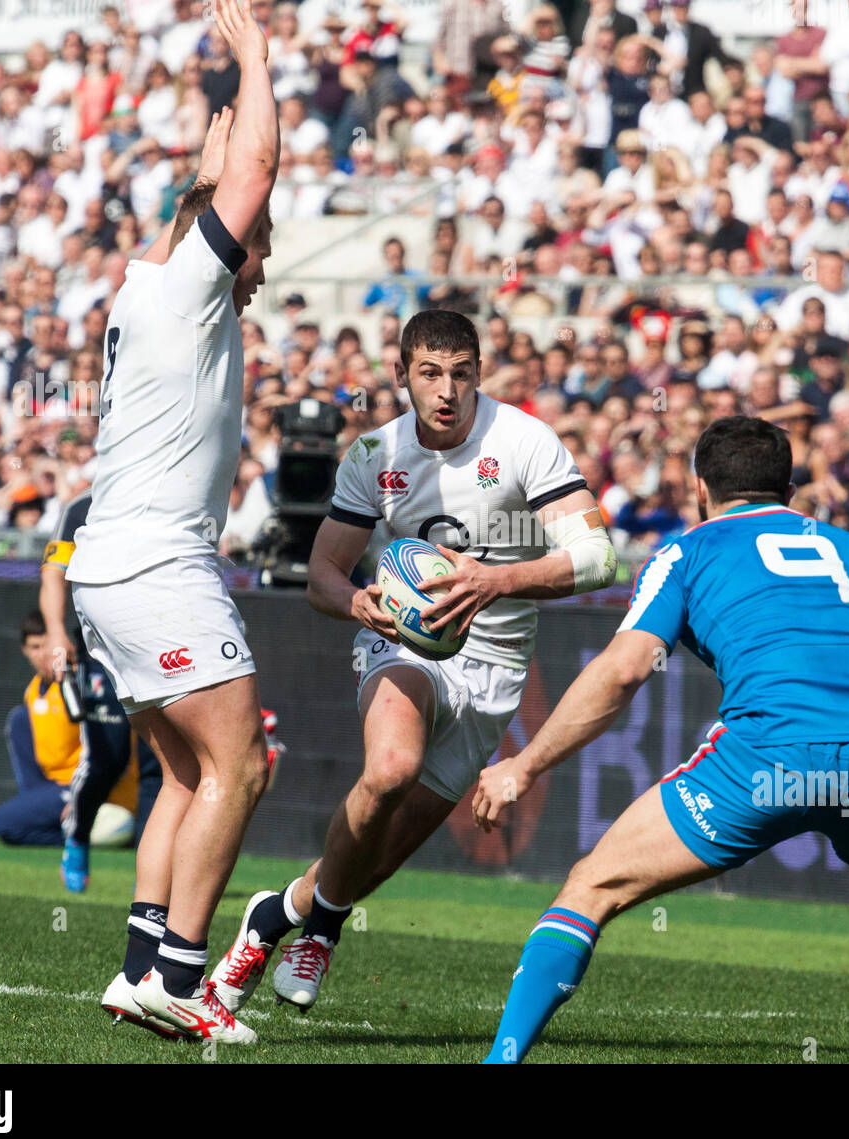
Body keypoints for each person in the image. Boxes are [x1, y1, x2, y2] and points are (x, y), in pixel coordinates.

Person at [472, 416, 849, 1065]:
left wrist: (523, 765)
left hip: (770, 758)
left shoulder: (685, 551)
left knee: (592, 886)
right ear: (787, 486)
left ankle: (500, 1060)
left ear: (703, 487)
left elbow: (622, 670)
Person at [208, 309, 617, 1015]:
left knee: (379, 853)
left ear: (480, 373)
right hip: (405, 640)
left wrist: (497, 578)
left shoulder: (523, 441)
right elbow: (324, 574)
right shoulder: (375, 454)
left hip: (494, 670)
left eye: (461, 373)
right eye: (429, 373)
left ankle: (279, 917)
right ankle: (323, 929)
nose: (446, 389)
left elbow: (600, 554)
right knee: (390, 769)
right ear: (401, 376)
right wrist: (358, 604)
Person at [67, 0, 278, 1045]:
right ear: (218, 245)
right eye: (257, 249)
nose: (262, 265)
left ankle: (141, 965)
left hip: (112, 563)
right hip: (156, 562)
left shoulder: (146, 283)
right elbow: (246, 181)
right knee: (241, 766)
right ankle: (183, 980)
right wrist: (256, 61)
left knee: (186, 774)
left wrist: (221, 117)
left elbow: (210, 180)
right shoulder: (196, 284)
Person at [40, 490, 162, 892]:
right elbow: (53, 573)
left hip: (159, 645)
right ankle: (77, 837)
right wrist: (56, 631)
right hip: (98, 649)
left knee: (161, 763)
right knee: (106, 759)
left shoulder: (164, 492)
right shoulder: (81, 505)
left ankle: (154, 870)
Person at [0, 611, 149, 849]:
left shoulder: (78, 683)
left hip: (89, 786)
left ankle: (83, 834)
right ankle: (78, 832)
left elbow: (112, 746)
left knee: (6, 821)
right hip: (56, 789)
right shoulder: (33, 691)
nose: (42, 655)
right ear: (24, 650)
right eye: (34, 647)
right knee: (18, 721)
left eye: (47, 645)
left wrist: (87, 795)